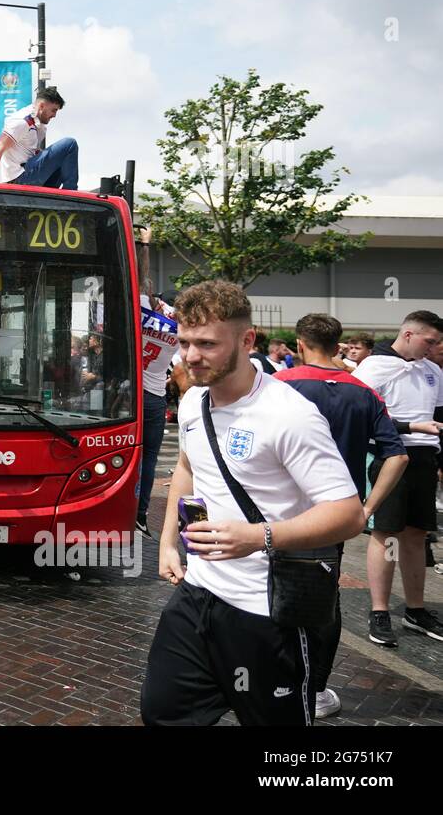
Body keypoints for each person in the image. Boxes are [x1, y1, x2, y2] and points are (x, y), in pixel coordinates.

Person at [141, 280, 363, 727]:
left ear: (247, 340)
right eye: (184, 342)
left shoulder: (289, 415)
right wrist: (168, 541)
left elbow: (348, 514)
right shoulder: (192, 400)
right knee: (163, 715)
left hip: (268, 613)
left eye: (206, 344)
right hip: (197, 595)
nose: (190, 355)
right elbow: (187, 467)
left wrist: (257, 537)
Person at [274, 313, 408, 718]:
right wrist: (365, 509)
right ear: (339, 345)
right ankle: (313, 689)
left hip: (277, 509)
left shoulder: (278, 385)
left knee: (265, 592)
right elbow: (397, 454)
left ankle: (272, 681)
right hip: (333, 515)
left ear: (300, 343)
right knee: (322, 599)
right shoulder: (364, 392)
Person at [352, 310, 443, 647]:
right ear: (408, 335)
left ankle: (416, 609)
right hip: (391, 455)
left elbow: (438, 415)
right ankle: (380, 611)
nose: (433, 348)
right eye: (429, 341)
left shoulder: (432, 370)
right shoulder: (374, 367)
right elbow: (363, 415)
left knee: (417, 534)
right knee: (386, 533)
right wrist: (409, 427)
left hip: (423, 457)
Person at [134, 229, 178, 537]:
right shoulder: (179, 329)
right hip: (154, 395)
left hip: (127, 393)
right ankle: (140, 513)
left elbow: (140, 280)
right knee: (149, 457)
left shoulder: (147, 309)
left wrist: (145, 245)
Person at [0, 86, 77, 189]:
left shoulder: (38, 124)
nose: (54, 115)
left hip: (28, 174)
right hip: (18, 179)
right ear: (41, 106)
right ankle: (72, 192)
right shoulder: (22, 121)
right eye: (53, 110)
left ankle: (54, 197)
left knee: (62, 158)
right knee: (69, 144)